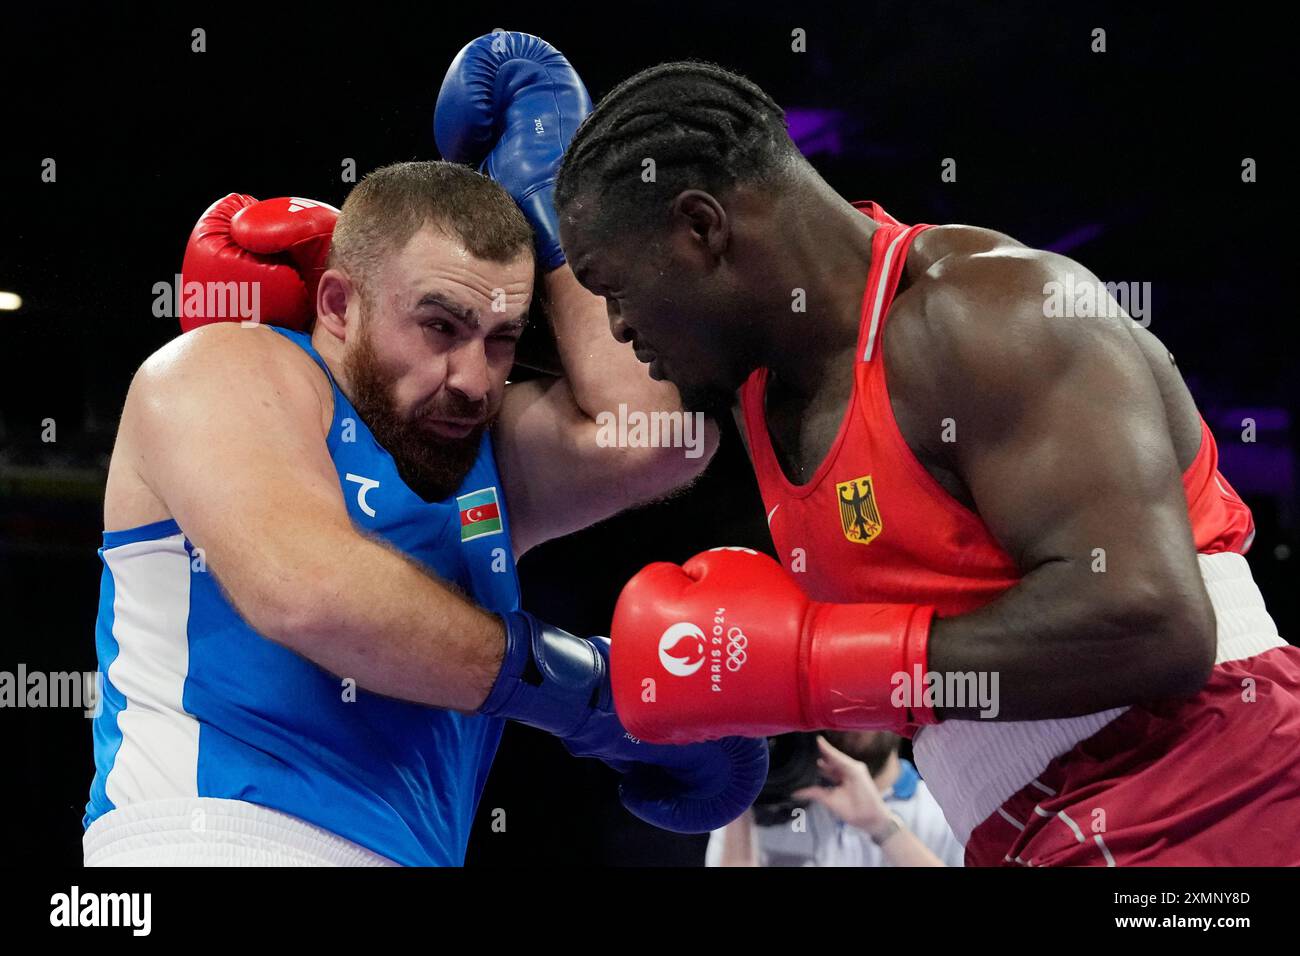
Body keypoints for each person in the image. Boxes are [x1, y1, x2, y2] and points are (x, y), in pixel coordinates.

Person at [555, 61, 1300, 865]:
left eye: (614, 288)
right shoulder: (757, 382)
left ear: (702, 228)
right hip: (1022, 830)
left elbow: (1155, 625)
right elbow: (619, 432)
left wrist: (814, 668)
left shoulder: (994, 317)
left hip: (1215, 788)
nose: (618, 327)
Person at [83, 36, 766, 867]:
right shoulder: (224, 367)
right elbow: (310, 591)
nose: (476, 380)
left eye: (504, 338)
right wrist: (595, 695)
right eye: (441, 327)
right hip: (213, 837)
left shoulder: (477, 453)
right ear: (339, 303)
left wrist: (552, 200)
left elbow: (656, 439)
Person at [709, 734, 963, 867]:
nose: (857, 718)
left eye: (872, 701)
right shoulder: (767, 801)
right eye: (842, 706)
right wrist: (742, 789)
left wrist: (883, 827)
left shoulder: (947, 810)